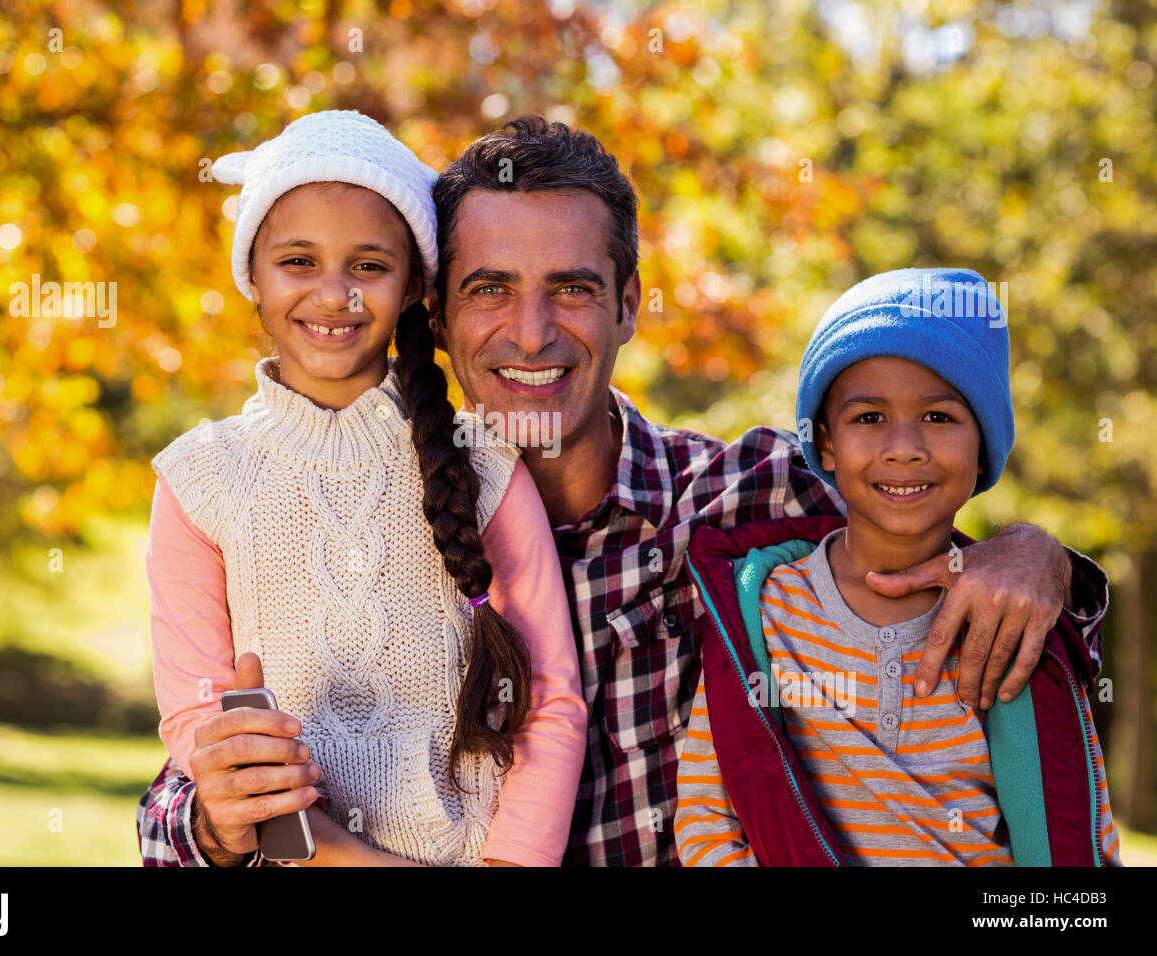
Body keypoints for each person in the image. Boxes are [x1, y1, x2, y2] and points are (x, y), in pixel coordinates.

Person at [138, 117, 1110, 867]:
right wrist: (218, 822)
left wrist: (1034, 554)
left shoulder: (745, 499)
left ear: (630, 305)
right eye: (489, 288)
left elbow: (929, 541)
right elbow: (175, 803)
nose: (529, 333)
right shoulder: (344, 512)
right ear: (433, 313)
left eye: (568, 287)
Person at [144, 109, 586, 867]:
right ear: (251, 273)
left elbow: (549, 703)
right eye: (298, 262)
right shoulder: (199, 481)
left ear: (414, 284)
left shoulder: (484, 465)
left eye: (369, 266)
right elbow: (195, 718)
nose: (335, 295)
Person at [674, 268, 1121, 865]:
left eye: (939, 417)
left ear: (983, 444)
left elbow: (1079, 832)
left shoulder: (1007, 621)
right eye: (869, 418)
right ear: (826, 444)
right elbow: (709, 819)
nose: (904, 446)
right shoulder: (766, 608)